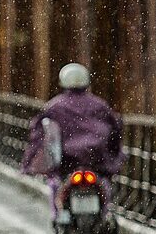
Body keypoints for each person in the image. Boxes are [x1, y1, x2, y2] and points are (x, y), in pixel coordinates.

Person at [21, 63, 126, 220]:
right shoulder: (100, 105)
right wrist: (115, 157)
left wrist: (28, 163)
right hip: (95, 161)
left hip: (66, 162)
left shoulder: (55, 106)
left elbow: (38, 135)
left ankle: (57, 217)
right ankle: (105, 215)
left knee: (55, 184)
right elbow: (115, 130)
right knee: (105, 185)